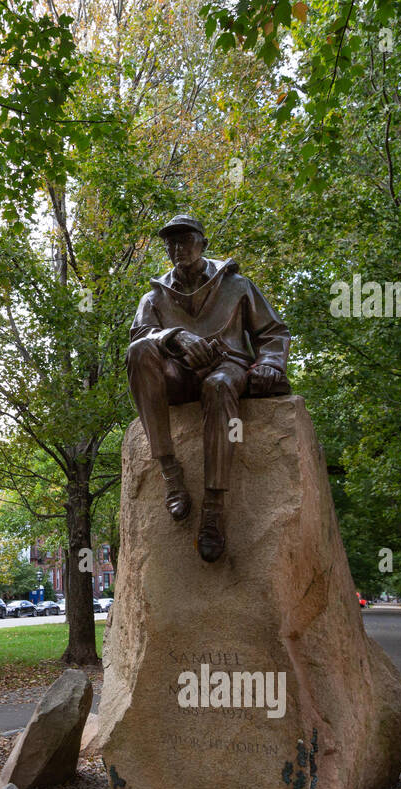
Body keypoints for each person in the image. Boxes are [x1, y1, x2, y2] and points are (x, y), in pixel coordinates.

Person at [127, 214, 291, 561]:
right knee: (138, 350)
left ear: (203, 243)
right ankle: (170, 471)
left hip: (226, 368)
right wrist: (174, 336)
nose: (177, 248)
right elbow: (140, 337)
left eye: (185, 240)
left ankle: (213, 507)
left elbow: (273, 333)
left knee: (218, 388)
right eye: (171, 242)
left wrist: (271, 364)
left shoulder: (238, 286)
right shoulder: (153, 298)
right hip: (178, 376)